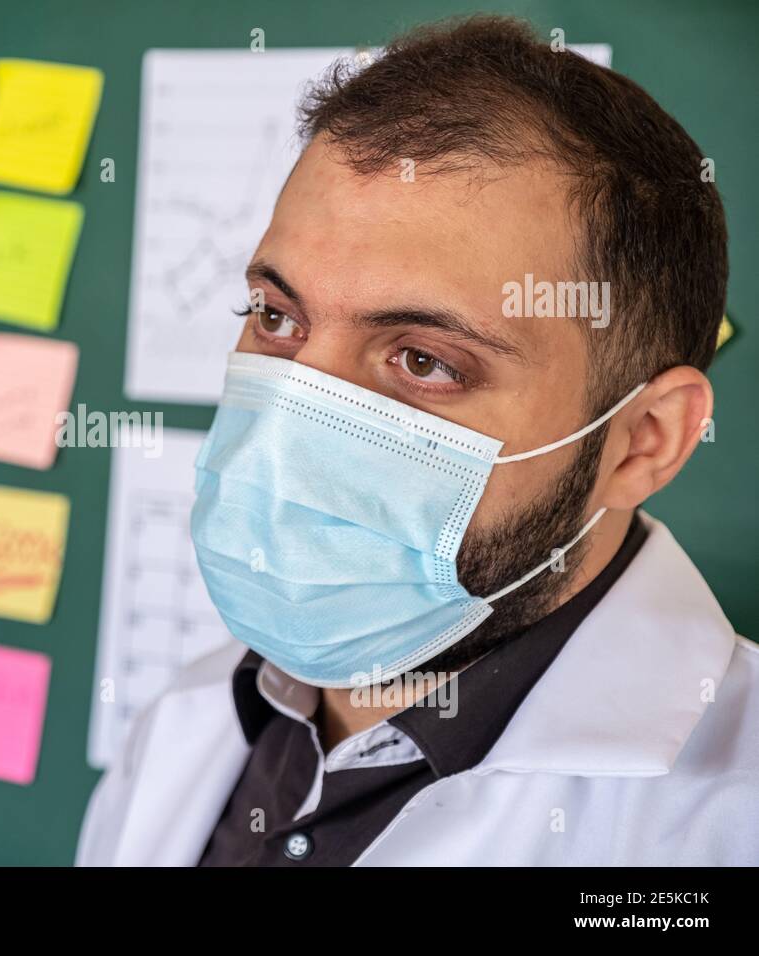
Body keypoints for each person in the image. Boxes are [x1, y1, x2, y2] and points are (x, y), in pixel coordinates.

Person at [77, 16, 758, 866]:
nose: (291, 426)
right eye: (277, 318)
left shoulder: (727, 820)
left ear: (644, 442)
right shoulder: (188, 717)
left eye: (424, 360)